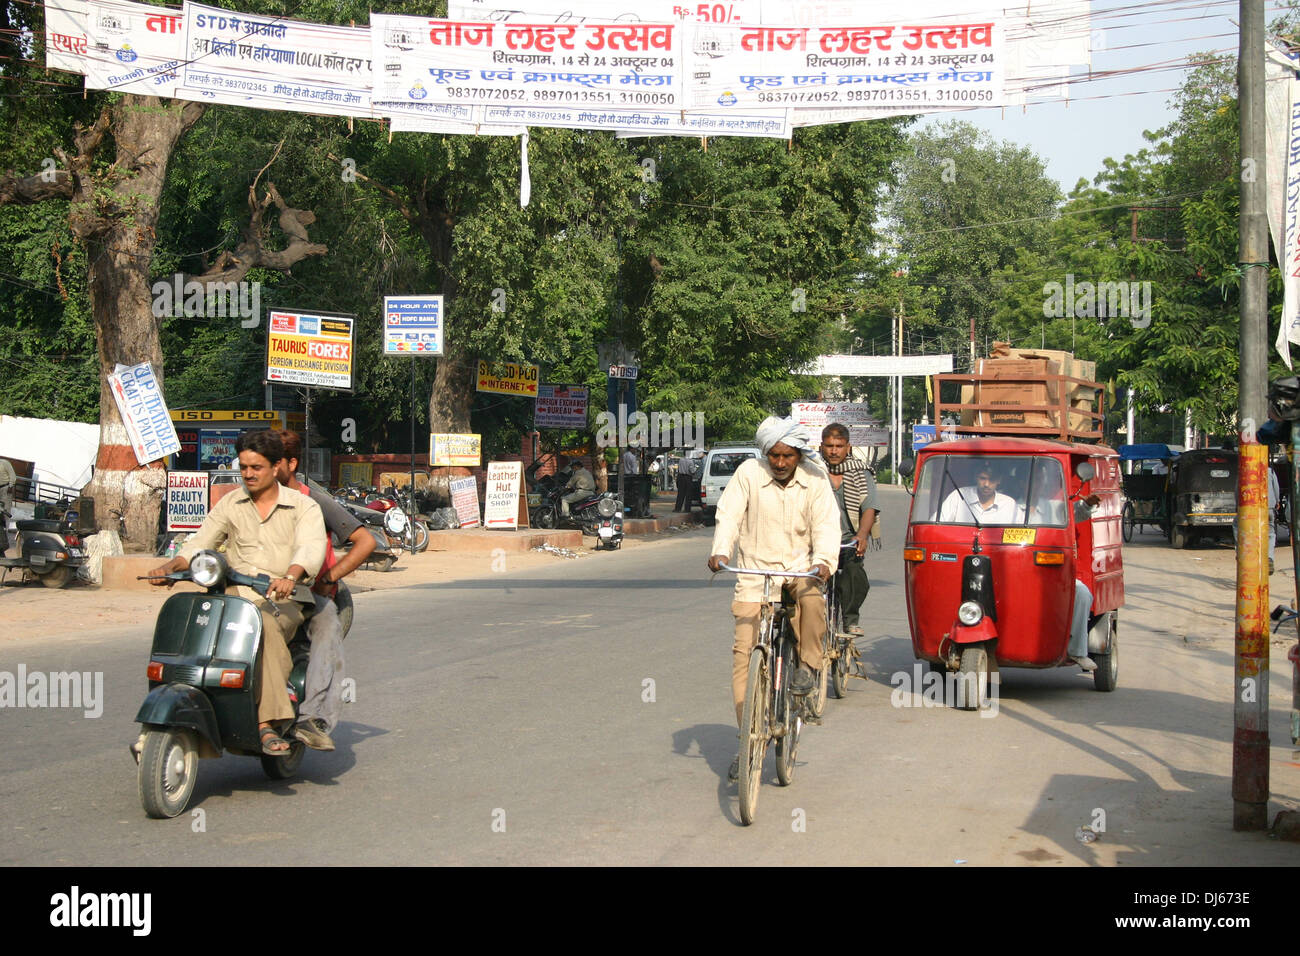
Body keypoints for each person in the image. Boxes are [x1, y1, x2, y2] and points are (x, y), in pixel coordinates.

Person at [148, 429, 325, 756]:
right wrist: (171, 567)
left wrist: (291, 575)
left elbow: (311, 548)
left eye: (256, 467)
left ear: (275, 468)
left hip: (283, 598)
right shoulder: (232, 502)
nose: (248, 474)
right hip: (233, 594)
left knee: (264, 628)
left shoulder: (303, 506)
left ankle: (266, 723)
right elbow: (200, 541)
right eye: (243, 467)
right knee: (195, 622)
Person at [708, 416, 839, 783]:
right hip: (754, 573)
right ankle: (749, 740)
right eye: (774, 456)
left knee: (812, 601)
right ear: (766, 453)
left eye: (787, 456)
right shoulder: (749, 473)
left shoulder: (815, 479)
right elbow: (729, 514)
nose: (780, 463)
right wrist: (721, 552)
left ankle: (809, 668)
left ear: (798, 454)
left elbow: (827, 525)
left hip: (799, 569)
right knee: (743, 658)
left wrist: (824, 562)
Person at [275, 430, 375, 751]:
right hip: (268, 592)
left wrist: (331, 576)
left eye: (271, 462)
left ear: (291, 464)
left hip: (312, 595)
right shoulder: (255, 499)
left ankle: (313, 717)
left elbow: (365, 541)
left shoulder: (314, 500)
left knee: (326, 628)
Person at [819, 423, 880, 637]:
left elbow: (869, 506)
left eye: (839, 445)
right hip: (818, 542)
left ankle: (850, 619)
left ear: (848, 447)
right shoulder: (813, 471)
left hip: (847, 541)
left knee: (854, 574)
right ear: (821, 446)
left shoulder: (861, 473)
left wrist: (862, 536)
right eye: (829, 446)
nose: (833, 451)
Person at [938, 463, 1021, 524]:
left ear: (999, 480)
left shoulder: (1009, 504)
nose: (986, 484)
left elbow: (1024, 533)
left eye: (992, 479)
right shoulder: (959, 495)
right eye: (983, 478)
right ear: (976, 478)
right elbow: (936, 523)